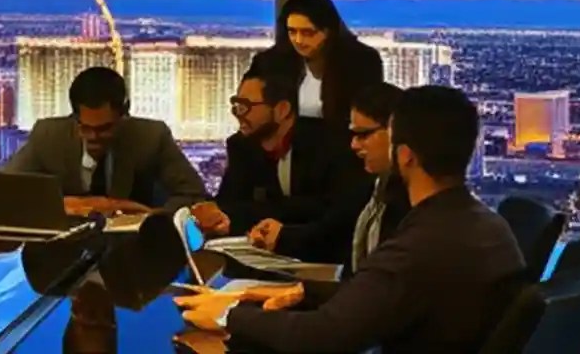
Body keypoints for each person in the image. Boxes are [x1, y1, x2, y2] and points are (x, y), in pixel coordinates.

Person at [176, 86, 526, 354]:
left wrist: (228, 314)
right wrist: (304, 292)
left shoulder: (419, 245)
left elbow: (323, 336)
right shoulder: (487, 226)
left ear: (403, 156)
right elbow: (380, 296)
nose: (354, 145)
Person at [247, 82, 409, 272]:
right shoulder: (374, 187)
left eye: (363, 134)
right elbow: (332, 230)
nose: (354, 145)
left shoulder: (410, 198)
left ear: (395, 133)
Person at [208, 65, 365, 261]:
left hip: (326, 259)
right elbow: (230, 205)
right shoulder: (241, 146)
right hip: (262, 259)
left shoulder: (332, 145)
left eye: (245, 106)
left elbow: (334, 215)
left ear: (282, 109)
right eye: (236, 105)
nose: (238, 113)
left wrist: (276, 222)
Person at [4, 66, 208, 216]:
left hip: (131, 251)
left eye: (104, 129)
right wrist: (66, 204)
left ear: (123, 115)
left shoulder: (151, 136)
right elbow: (3, 192)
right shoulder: (47, 136)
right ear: (74, 117)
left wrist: (149, 216)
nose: (94, 137)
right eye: (86, 128)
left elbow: (194, 196)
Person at [252, 0, 384, 134]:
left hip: (343, 148)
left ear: (327, 31)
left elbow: (369, 121)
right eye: (292, 32)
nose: (298, 40)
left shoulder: (362, 63)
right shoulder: (270, 62)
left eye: (307, 33)